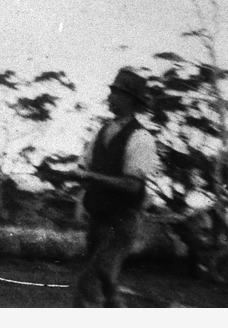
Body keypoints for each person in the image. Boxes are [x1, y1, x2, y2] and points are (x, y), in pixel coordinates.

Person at [62, 68, 159, 307]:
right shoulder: (102, 132)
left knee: (89, 284)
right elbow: (85, 168)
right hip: (98, 220)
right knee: (105, 285)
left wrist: (90, 176)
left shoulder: (141, 138)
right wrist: (69, 177)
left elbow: (132, 186)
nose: (110, 97)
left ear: (128, 100)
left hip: (122, 222)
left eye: (115, 93)